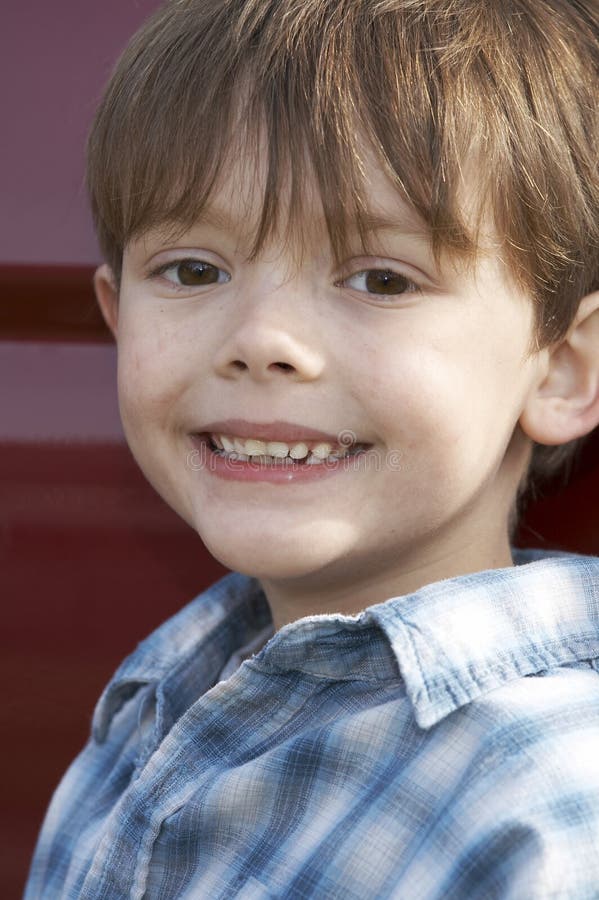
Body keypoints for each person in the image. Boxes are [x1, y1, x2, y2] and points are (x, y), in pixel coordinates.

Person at [25, 0, 599, 897]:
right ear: (116, 314)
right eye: (193, 270)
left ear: (561, 370)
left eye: (379, 278)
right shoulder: (149, 716)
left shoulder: (552, 805)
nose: (262, 339)